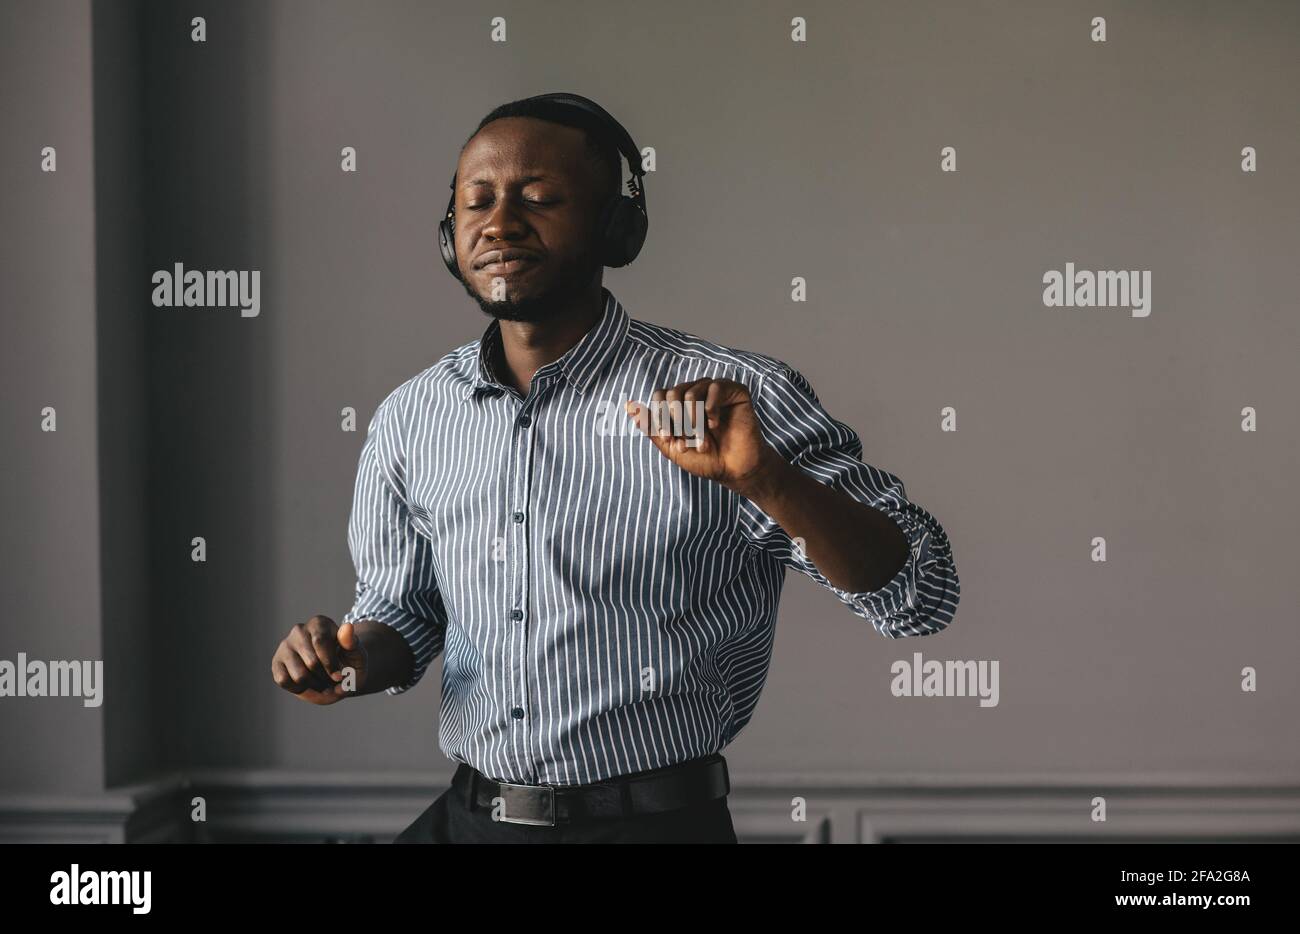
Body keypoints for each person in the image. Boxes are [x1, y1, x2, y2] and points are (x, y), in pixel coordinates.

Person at [271, 93, 961, 843]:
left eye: (538, 198)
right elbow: (402, 615)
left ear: (614, 228)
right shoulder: (412, 415)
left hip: (654, 827)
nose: (499, 222)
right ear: (451, 235)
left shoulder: (733, 399)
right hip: (473, 820)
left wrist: (769, 481)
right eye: (476, 202)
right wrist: (342, 664)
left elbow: (919, 594)